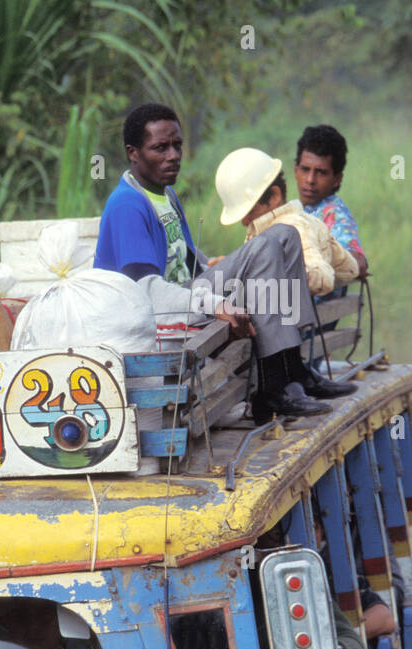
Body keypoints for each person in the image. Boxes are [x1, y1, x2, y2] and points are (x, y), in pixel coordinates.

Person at [94, 103, 352, 424]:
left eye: (177, 145)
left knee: (284, 233)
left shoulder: (167, 195)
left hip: (185, 293)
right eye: (160, 148)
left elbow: (185, 261)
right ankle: (273, 386)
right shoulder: (127, 205)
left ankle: (295, 368)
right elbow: (147, 291)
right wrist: (213, 302)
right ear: (133, 153)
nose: (173, 155)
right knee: (265, 245)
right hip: (154, 313)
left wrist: (215, 265)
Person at [215, 147, 361, 299]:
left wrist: (280, 275)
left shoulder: (295, 228)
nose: (244, 222)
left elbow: (323, 277)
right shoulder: (264, 230)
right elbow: (349, 269)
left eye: (249, 212)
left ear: (274, 197)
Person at [295, 124, 368, 281]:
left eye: (321, 172)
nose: (310, 180)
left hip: (319, 305)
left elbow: (358, 264)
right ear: (296, 170)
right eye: (305, 169)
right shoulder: (296, 211)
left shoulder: (333, 214)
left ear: (337, 179)